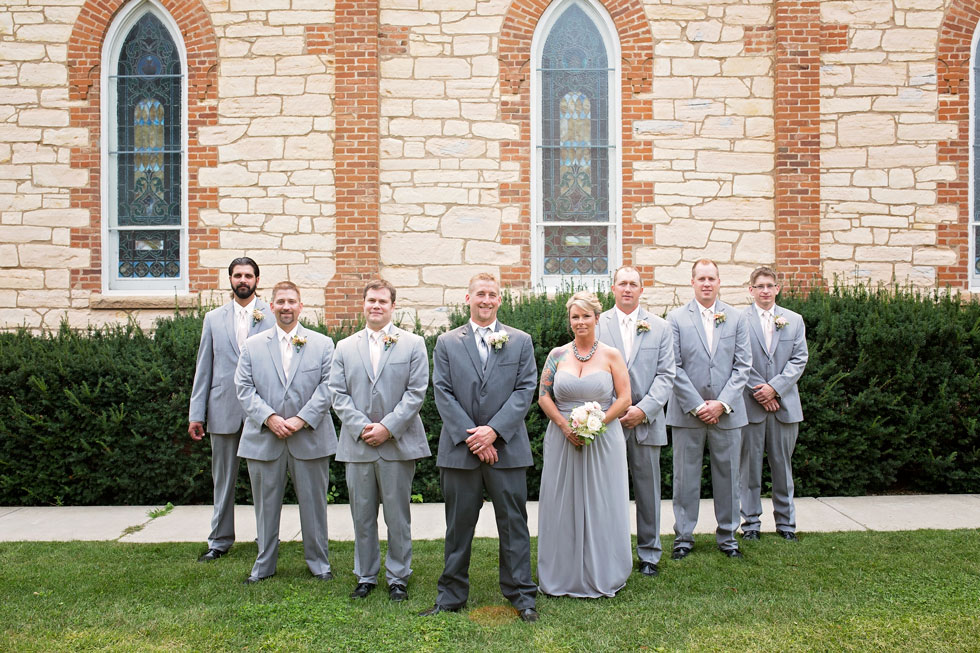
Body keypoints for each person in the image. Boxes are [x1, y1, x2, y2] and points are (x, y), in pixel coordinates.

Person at [420, 273, 539, 622]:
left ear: (499, 300)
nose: (486, 300)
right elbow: (442, 391)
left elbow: (524, 390)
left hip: (508, 450)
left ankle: (522, 595)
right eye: (480, 294)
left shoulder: (520, 341)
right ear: (467, 297)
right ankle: (451, 595)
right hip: (460, 451)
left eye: (493, 295)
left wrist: (494, 432)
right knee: (458, 527)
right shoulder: (446, 342)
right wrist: (474, 437)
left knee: (514, 525)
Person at [330, 280, 430, 602]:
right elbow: (338, 394)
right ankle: (366, 575)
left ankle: (399, 576)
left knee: (397, 516)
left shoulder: (413, 344)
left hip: (397, 445)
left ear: (392, 306)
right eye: (371, 300)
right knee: (362, 515)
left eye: (382, 301)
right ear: (363, 304)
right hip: (358, 445)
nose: (376, 305)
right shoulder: (344, 347)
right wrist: (362, 427)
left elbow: (416, 393)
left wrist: (387, 427)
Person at [235, 281, 337, 584]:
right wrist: (270, 418)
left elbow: (329, 387)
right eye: (280, 301)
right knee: (265, 506)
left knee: (315, 505)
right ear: (271, 306)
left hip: (310, 437)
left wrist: (301, 420)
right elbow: (243, 388)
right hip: (265, 437)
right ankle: (264, 564)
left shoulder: (322, 343)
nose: (286, 307)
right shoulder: (253, 345)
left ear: (301, 306)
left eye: (292, 301)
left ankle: (319, 563)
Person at [537, 291, 633, 598]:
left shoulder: (611, 355)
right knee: (561, 503)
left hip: (603, 439)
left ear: (596, 318)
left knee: (603, 502)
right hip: (562, 437)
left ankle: (603, 570)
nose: (580, 322)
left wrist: (597, 423)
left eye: (586, 316)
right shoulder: (556, 356)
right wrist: (566, 426)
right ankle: (561, 574)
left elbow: (625, 398)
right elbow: (543, 395)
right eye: (575, 317)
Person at [188, 257, 274, 563]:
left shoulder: (272, 315)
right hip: (222, 409)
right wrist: (196, 413)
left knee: (262, 481)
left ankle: (266, 538)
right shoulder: (213, 318)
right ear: (230, 279)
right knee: (223, 481)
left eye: (248, 275)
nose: (243, 280)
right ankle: (219, 540)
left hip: (261, 413)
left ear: (257, 280)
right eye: (237, 275)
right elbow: (204, 368)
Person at [666, 259, 752, 559]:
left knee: (728, 477)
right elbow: (672, 366)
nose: (706, 283)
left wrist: (721, 403)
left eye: (711, 278)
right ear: (692, 282)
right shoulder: (676, 318)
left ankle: (728, 537)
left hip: (727, 412)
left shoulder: (737, 318)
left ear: (719, 282)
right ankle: (684, 537)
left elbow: (743, 366)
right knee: (685, 477)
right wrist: (697, 405)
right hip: (687, 413)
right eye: (701, 278)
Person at [598, 267, 676, 577]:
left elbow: (667, 375)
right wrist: (611, 412)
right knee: (606, 490)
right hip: (609, 423)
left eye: (633, 284)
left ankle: (649, 554)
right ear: (613, 288)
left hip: (646, 422)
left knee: (648, 491)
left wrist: (644, 409)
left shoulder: (661, 327)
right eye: (622, 284)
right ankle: (607, 551)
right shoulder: (597, 323)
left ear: (641, 290)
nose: (627, 289)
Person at [739, 267, 808, 542]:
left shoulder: (794, 320)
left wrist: (775, 389)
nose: (765, 290)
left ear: (777, 288)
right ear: (751, 290)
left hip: (785, 406)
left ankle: (786, 524)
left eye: (770, 285)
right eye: (760, 286)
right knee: (750, 468)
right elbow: (738, 360)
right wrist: (761, 391)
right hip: (752, 405)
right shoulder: (738, 320)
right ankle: (751, 524)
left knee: (783, 467)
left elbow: (799, 359)